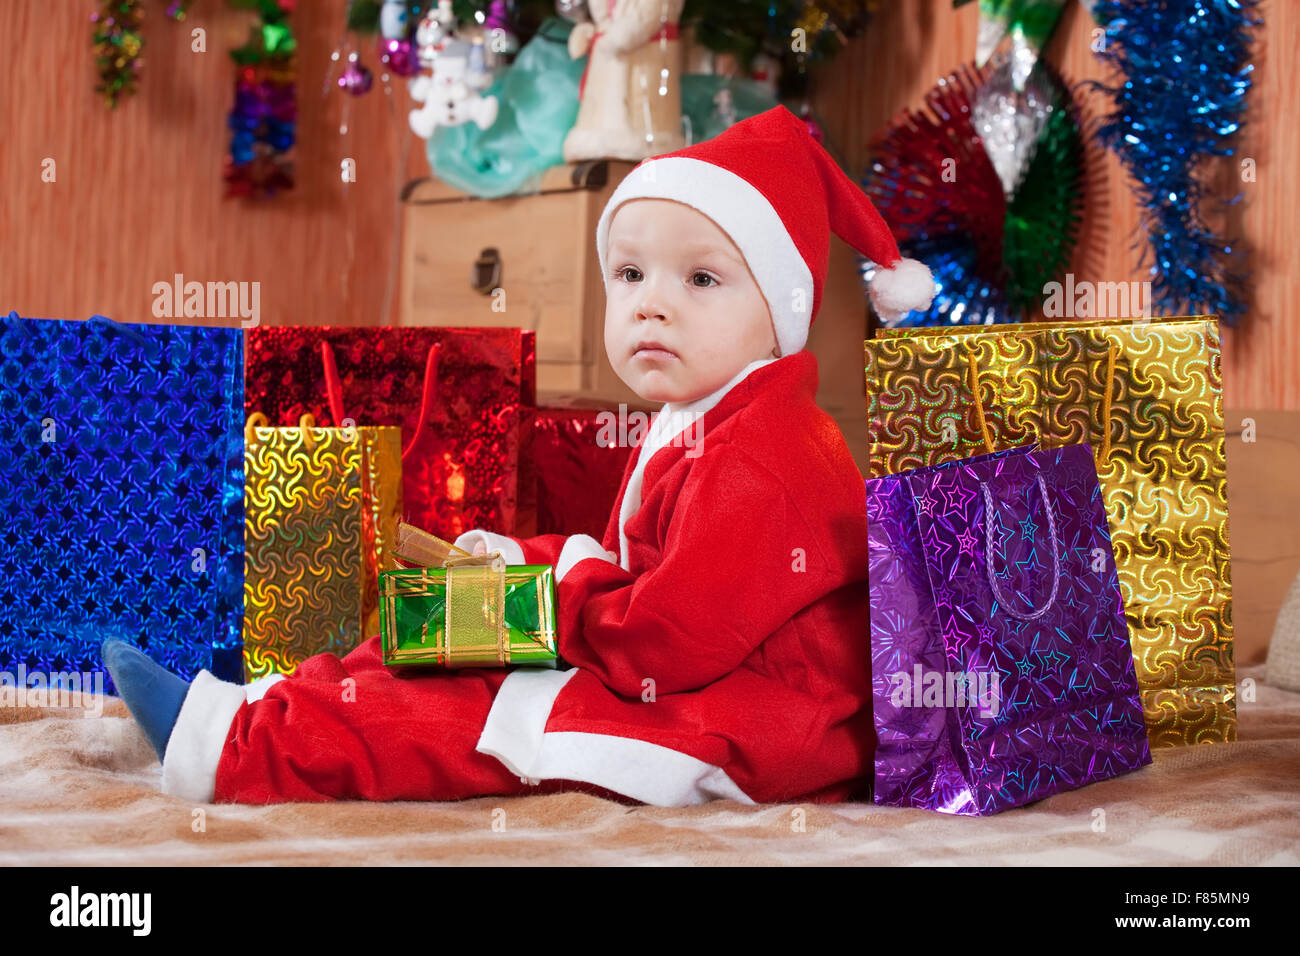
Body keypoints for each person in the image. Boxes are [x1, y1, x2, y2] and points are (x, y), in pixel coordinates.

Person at [102, 104, 935, 805]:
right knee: (441, 620)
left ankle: (246, 758)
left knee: (470, 710)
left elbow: (667, 642)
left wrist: (543, 597)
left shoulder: (770, 453)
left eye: (701, 281)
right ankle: (267, 707)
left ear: (780, 306)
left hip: (752, 716)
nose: (652, 307)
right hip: (677, 660)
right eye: (631, 274)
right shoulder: (704, 412)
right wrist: (517, 571)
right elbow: (632, 570)